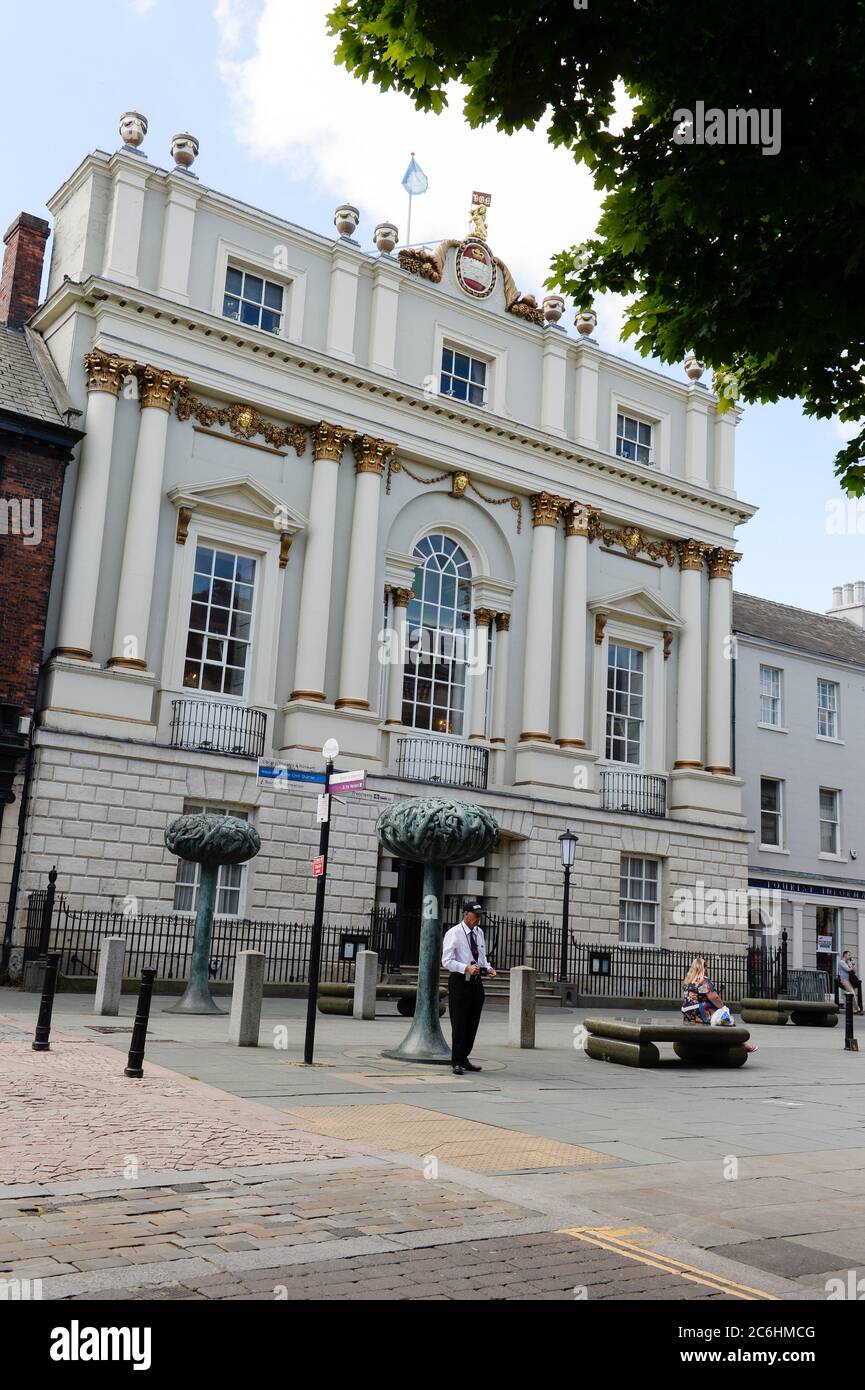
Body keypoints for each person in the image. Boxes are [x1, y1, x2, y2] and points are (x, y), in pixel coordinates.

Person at [442, 901, 496, 1075]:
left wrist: (488, 968)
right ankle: (456, 1060)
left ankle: (464, 1056)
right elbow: (447, 961)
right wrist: (465, 967)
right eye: (475, 915)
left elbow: (481, 957)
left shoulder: (479, 933)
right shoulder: (454, 933)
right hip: (459, 981)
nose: (478, 919)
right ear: (465, 914)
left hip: (475, 981)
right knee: (459, 1022)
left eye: (480, 915)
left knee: (473, 1021)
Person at [681, 956, 757, 1051]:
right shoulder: (703, 980)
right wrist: (723, 1008)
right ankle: (741, 1043)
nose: (707, 969)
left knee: (721, 1019)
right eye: (706, 967)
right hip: (700, 1011)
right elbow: (714, 997)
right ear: (703, 968)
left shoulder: (688, 981)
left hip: (687, 1013)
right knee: (726, 1019)